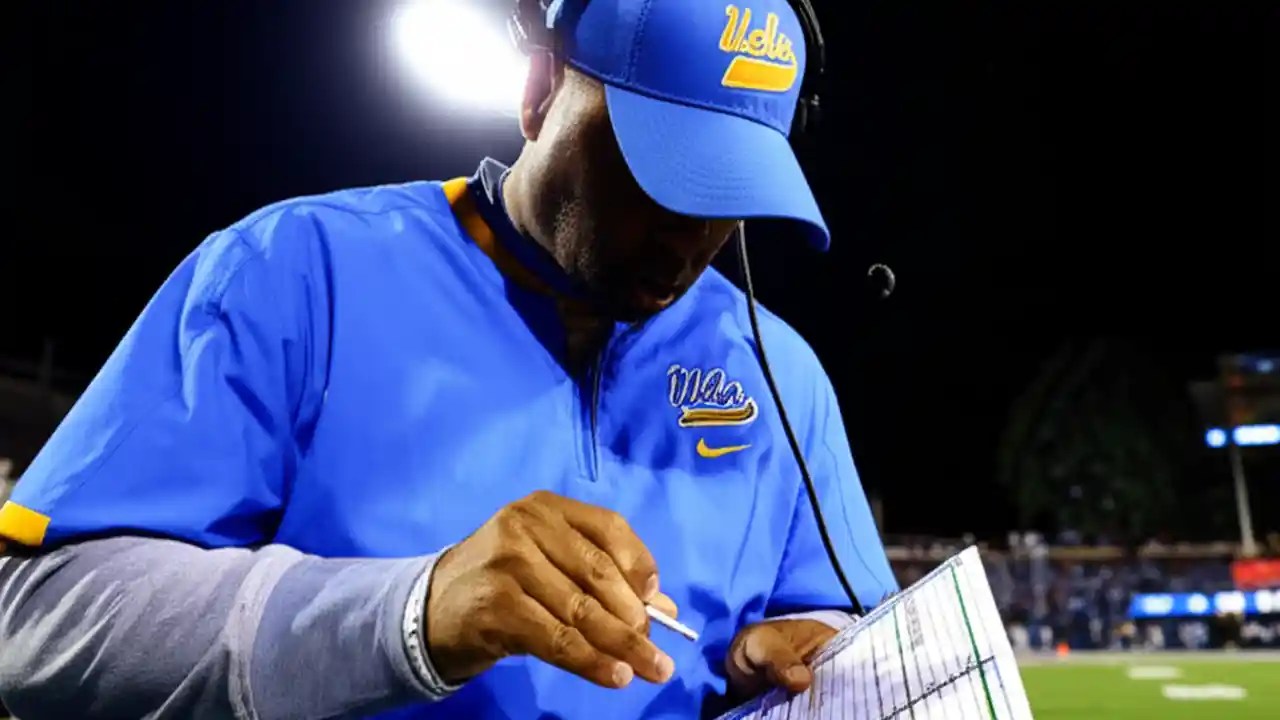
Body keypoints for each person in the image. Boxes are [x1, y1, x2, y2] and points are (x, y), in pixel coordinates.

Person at [0, 0, 897, 717]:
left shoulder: (782, 373)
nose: (690, 235)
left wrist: (790, 648)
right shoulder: (298, 272)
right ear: (542, 87)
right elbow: (37, 627)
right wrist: (413, 615)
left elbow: (847, 624)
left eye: (732, 193)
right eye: (657, 172)